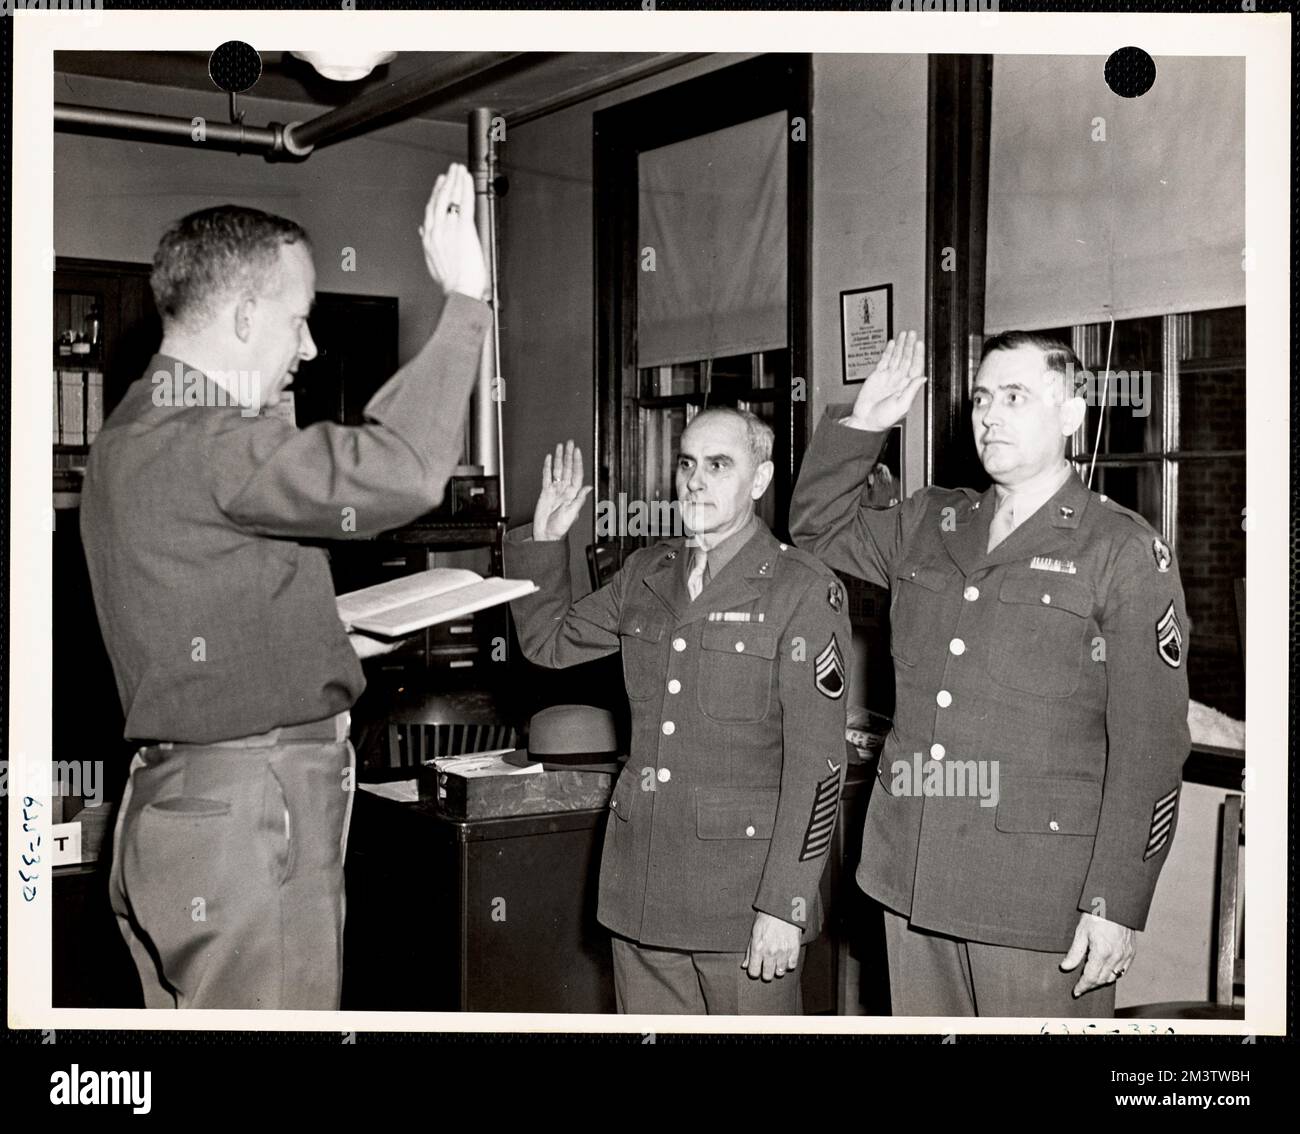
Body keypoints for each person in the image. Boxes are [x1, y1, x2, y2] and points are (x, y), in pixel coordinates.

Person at [81, 164, 491, 1009]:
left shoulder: (132, 431)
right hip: (249, 815)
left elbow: (211, 593)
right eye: (299, 322)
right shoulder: (211, 442)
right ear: (242, 317)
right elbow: (405, 471)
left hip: (170, 811)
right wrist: (466, 302)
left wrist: (328, 634)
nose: (309, 349)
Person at [790, 330, 1191, 1017]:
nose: (989, 415)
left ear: (1071, 414)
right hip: (912, 870)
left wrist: (1117, 903)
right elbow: (816, 528)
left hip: (1038, 894)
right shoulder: (930, 520)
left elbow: (1151, 749)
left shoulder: (1122, 550)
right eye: (981, 398)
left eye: (1014, 396)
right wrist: (865, 426)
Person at [505, 410, 852, 1014]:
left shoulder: (801, 588)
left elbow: (818, 769)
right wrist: (544, 539)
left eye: (720, 465)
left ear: (761, 479)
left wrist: (784, 904)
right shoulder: (647, 572)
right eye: (687, 463)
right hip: (642, 889)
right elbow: (549, 642)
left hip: (742, 903)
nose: (695, 480)